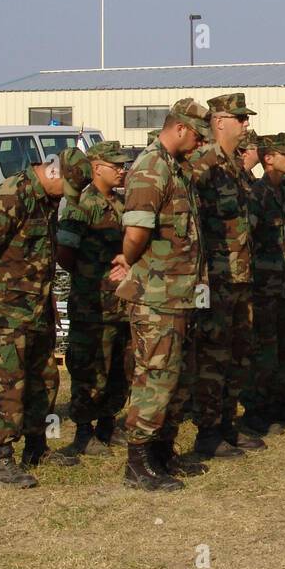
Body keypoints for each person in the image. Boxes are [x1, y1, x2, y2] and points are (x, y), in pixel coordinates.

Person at [0, 146, 92, 488]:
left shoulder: (46, 199)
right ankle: (2, 459)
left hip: (37, 307)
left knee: (45, 378)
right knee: (8, 382)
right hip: (7, 311)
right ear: (53, 172)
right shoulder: (12, 196)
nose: (65, 198)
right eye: (65, 189)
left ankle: (36, 447)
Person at [110, 98, 210, 491]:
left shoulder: (175, 168)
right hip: (156, 296)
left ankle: (160, 454)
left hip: (178, 294)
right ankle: (137, 462)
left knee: (173, 378)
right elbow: (136, 231)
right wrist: (127, 258)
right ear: (180, 128)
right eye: (197, 135)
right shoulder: (152, 166)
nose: (200, 143)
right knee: (155, 377)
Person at [184, 93, 264, 458]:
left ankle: (228, 423)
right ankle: (208, 432)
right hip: (215, 279)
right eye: (240, 118)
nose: (245, 124)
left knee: (237, 353)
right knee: (212, 356)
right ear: (219, 121)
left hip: (241, 276)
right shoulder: (203, 165)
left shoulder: (233, 166)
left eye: (246, 119)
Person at [57, 141, 135, 457]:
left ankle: (107, 424)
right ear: (95, 167)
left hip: (121, 304)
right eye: (115, 165)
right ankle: (83, 432)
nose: (122, 170)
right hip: (92, 305)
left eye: (123, 165)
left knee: (120, 367)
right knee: (90, 368)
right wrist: (90, 276)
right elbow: (64, 253)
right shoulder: (81, 206)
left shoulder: (120, 204)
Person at [243, 133, 285, 435]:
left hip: (283, 282)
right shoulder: (258, 195)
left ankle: (277, 401)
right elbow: (247, 242)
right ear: (269, 159)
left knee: (282, 345)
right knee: (263, 349)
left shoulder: (284, 191)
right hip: (263, 285)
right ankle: (256, 409)